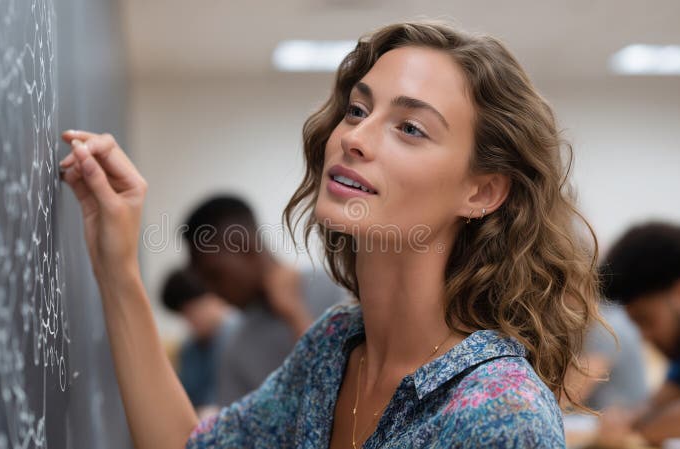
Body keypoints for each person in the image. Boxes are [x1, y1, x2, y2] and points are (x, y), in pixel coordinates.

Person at [58, 19, 604, 449]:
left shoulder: (500, 417)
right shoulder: (335, 345)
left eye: (410, 128)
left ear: (482, 193)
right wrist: (116, 266)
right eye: (357, 109)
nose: (356, 137)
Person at [181, 194, 347, 405]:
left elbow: (349, 392)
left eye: (215, 275)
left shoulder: (336, 292)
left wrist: (295, 314)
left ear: (244, 245)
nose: (213, 291)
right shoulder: (235, 346)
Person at [596, 222, 680, 446]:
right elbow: (661, 403)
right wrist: (625, 418)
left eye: (646, 320)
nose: (645, 336)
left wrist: (635, 427)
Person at [160, 267, 240, 414]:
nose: (191, 321)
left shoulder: (237, 335)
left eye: (193, 310)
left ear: (212, 297)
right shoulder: (190, 348)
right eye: (185, 314)